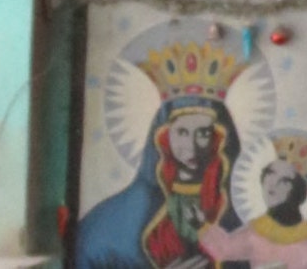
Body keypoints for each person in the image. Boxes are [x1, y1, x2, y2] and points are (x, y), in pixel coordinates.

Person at [75, 93, 243, 269]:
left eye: (204, 133)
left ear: (219, 139)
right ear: (163, 136)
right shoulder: (110, 222)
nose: (192, 146)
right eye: (182, 132)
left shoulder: (240, 219)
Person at [199, 131, 307, 269]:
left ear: (297, 191)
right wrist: (200, 224)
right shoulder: (257, 231)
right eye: (270, 174)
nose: (272, 185)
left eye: (284, 181)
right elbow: (225, 249)